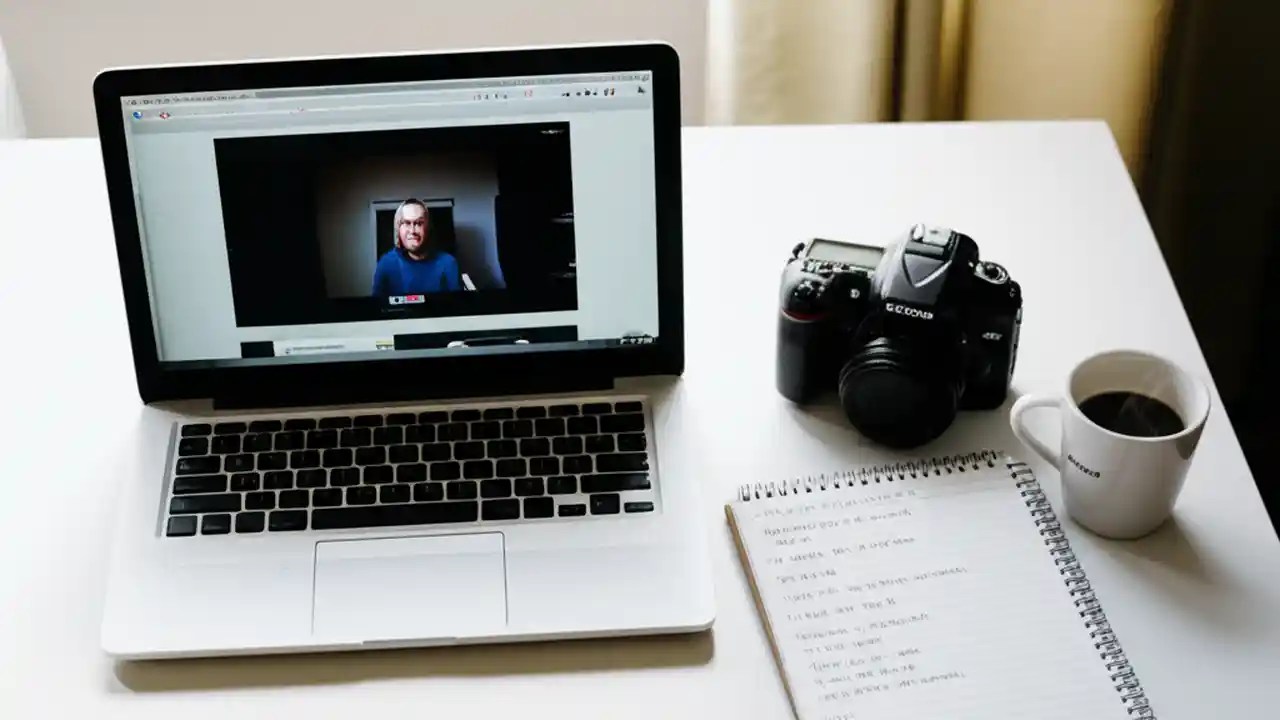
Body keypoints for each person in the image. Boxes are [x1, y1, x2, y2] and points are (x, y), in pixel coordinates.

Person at [371, 199, 461, 296]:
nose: (412, 230)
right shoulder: (386, 264)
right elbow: (377, 308)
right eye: (406, 223)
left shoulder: (448, 263)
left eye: (419, 223)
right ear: (398, 229)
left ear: (428, 227)